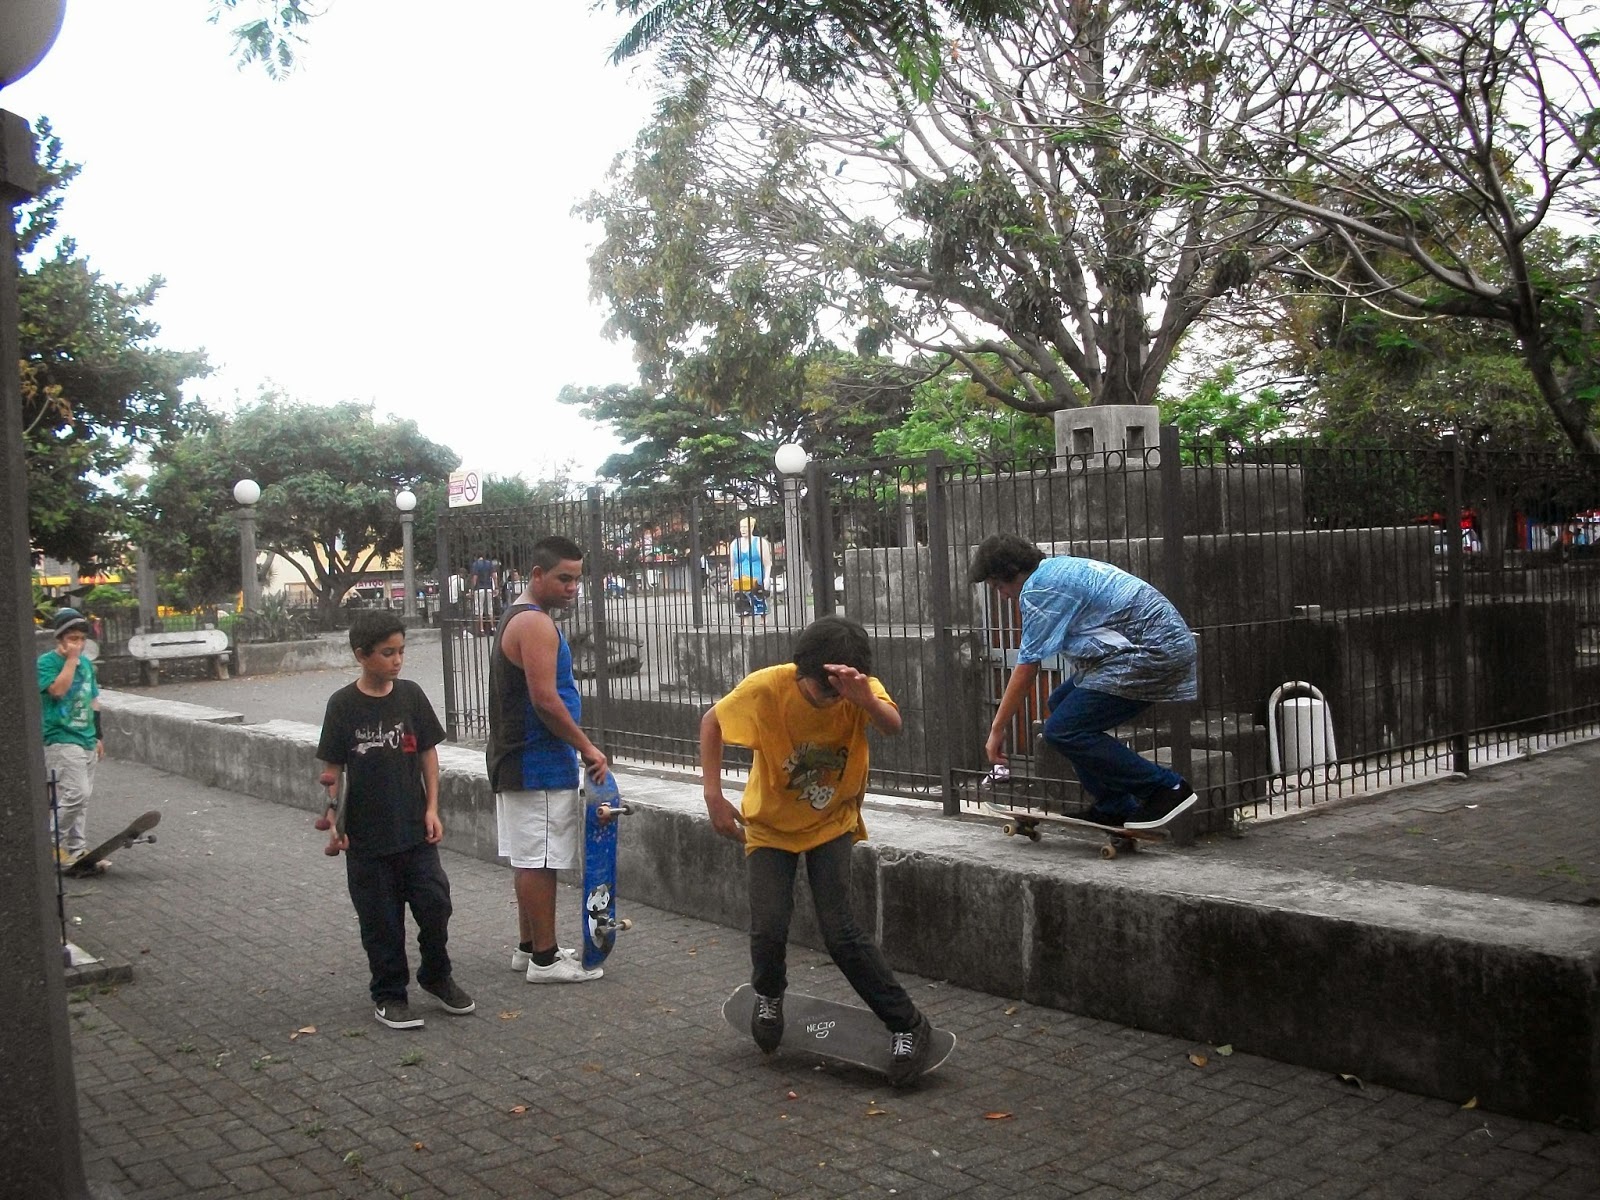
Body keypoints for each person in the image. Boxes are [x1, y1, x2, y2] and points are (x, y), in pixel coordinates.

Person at [700, 615, 937, 1086]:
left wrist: (864, 698)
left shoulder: (857, 689)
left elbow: (892, 725)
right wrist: (713, 795)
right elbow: (712, 722)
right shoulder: (768, 687)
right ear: (800, 672)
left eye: (837, 692)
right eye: (821, 691)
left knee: (841, 932)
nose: (831, 700)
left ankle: (907, 1024)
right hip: (769, 826)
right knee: (768, 926)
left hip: (832, 823)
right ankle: (768, 996)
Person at [968, 533, 1198, 830]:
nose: (1002, 595)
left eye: (999, 586)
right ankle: (1113, 805)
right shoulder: (1056, 569)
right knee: (1060, 704)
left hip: (1151, 653)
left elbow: (1027, 667)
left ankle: (1167, 789)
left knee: (1063, 729)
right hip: (1146, 648)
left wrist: (997, 729)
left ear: (1012, 572)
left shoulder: (1039, 589)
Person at [315, 611, 473, 1030]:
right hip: (366, 840)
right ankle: (389, 994)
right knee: (380, 922)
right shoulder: (342, 705)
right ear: (361, 655)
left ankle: (436, 976)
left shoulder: (411, 696)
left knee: (436, 904)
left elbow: (427, 754)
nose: (397, 660)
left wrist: (432, 807)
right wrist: (335, 820)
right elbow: (333, 770)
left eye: (401, 651)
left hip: (414, 832)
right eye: (388, 653)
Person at [487, 534, 608, 984]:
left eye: (577, 578)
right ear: (537, 574)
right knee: (540, 861)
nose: (573, 587)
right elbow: (546, 700)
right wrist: (587, 747)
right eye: (563, 578)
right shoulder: (535, 624)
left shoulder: (515, 616)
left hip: (520, 759)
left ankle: (528, 948)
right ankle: (545, 959)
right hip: (535, 761)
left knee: (530, 858)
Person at [38, 607, 103, 865]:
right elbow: (57, 691)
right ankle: (50, 843)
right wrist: (71, 661)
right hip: (60, 737)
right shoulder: (46, 663)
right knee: (78, 793)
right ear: (60, 639)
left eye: (81, 639)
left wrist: (98, 735)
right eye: (72, 638)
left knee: (82, 801)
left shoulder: (87, 665)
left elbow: (94, 700)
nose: (78, 644)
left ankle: (77, 849)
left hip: (86, 736)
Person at [728, 517, 771, 620]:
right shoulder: (734, 544)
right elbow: (732, 564)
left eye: (745, 527)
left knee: (759, 600)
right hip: (739, 577)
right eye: (741, 527)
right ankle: (745, 621)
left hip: (757, 576)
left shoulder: (760, 542)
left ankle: (762, 620)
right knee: (741, 601)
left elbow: (768, 563)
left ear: (752, 528)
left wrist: (767, 577)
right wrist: (731, 575)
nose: (742, 530)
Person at [469, 553, 497, 635]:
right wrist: (496, 587)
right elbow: (494, 576)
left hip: (479, 589)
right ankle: (493, 628)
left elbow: (475, 578)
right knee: (490, 609)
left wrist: (472, 589)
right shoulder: (489, 564)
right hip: (488, 588)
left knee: (479, 610)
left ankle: (481, 629)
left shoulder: (476, 564)